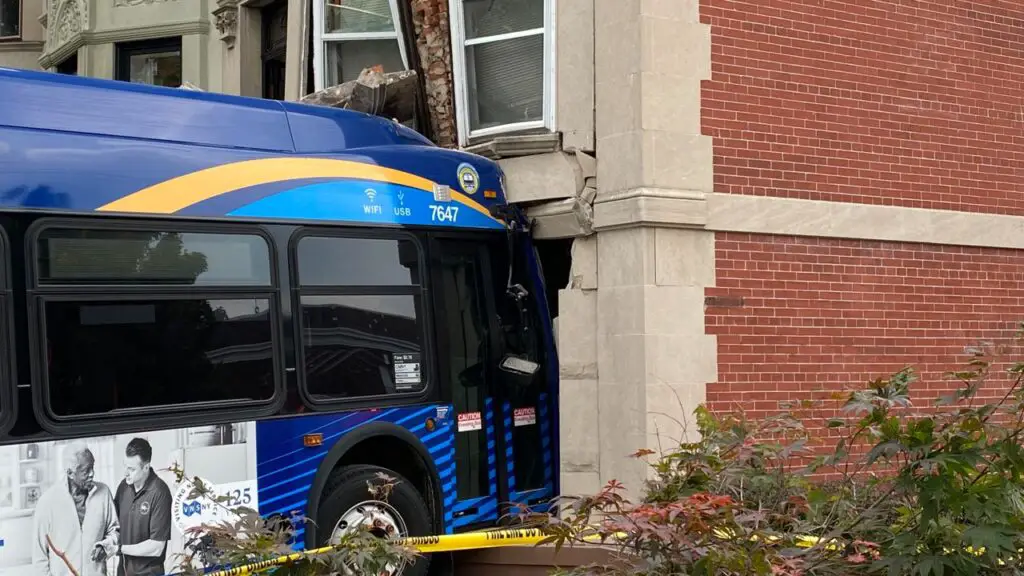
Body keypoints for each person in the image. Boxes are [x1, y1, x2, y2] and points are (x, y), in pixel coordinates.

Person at [32, 443, 120, 576]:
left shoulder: (104, 493)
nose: (92, 474)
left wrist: (106, 546)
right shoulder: (47, 502)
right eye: (86, 471)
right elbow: (39, 556)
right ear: (70, 473)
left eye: (93, 468)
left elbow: (115, 531)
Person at [113, 438, 172, 576]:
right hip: (123, 572)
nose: (125, 473)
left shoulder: (160, 493)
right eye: (125, 466)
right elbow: (114, 525)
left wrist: (120, 548)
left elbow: (156, 547)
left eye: (131, 469)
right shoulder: (123, 487)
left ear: (146, 467)